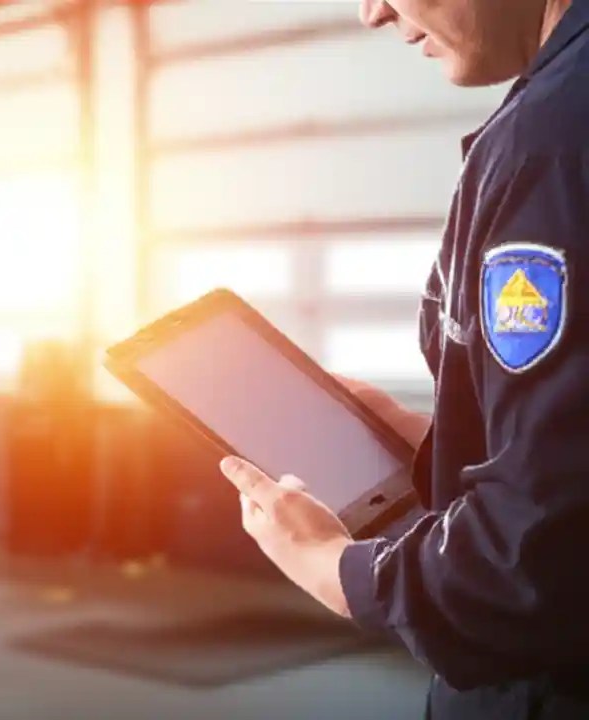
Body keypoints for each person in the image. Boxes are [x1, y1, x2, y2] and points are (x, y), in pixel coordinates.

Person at [216, 0, 589, 716]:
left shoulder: (553, 142)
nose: (373, 12)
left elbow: (535, 555)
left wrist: (335, 568)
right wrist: (432, 445)